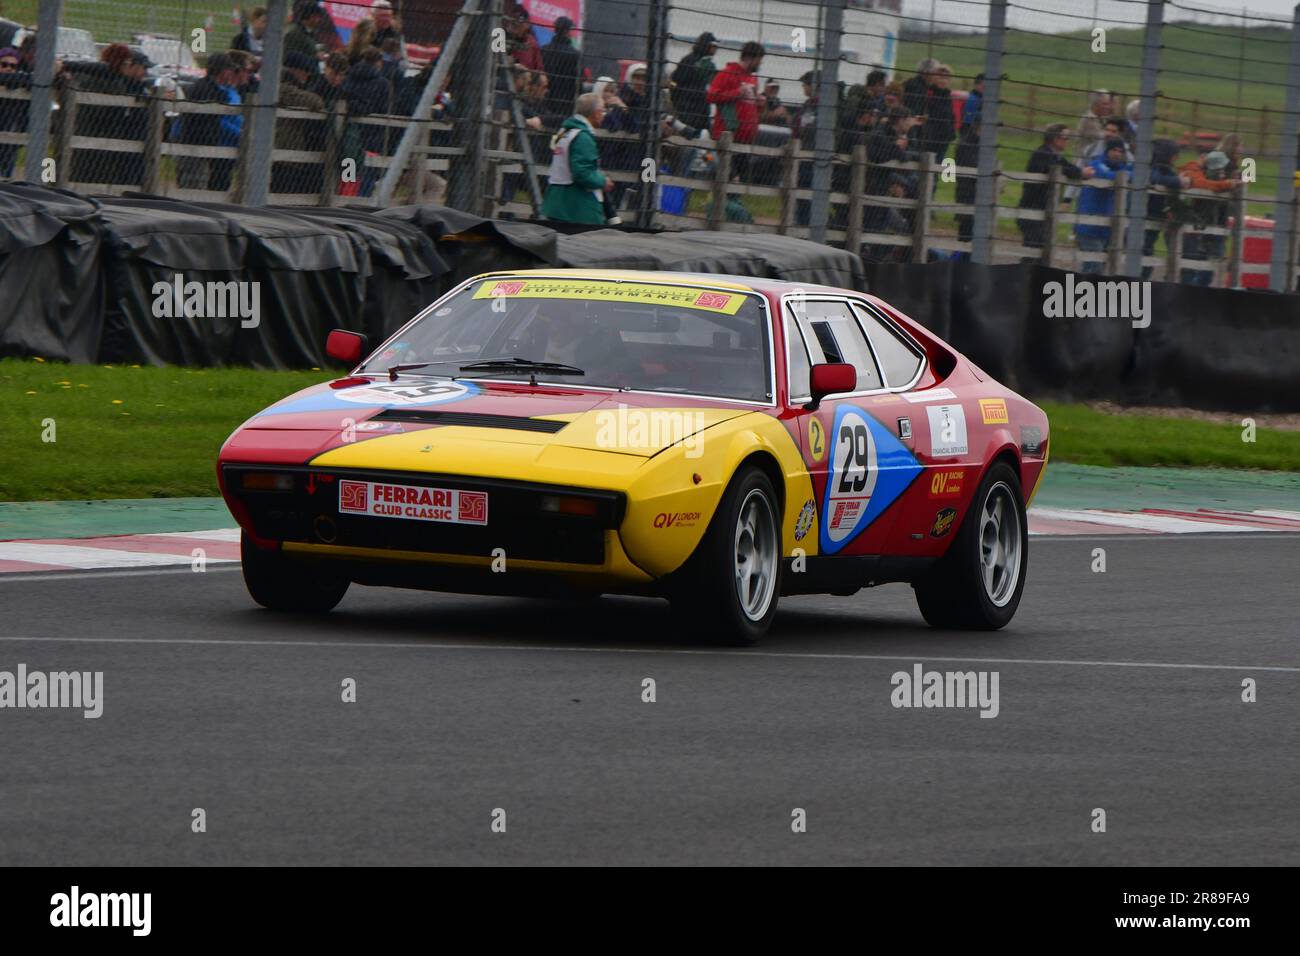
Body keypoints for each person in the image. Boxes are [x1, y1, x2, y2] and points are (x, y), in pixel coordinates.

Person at [541, 92, 614, 225]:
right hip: (577, 207)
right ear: (596, 113)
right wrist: (603, 181)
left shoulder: (564, 132)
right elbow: (582, 173)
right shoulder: (583, 137)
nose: (604, 115)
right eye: (603, 111)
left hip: (557, 203)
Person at [1017, 123, 1093, 251]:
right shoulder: (1042, 153)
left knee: (1040, 252)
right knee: (1035, 251)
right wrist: (1081, 173)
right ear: (1056, 139)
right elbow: (1057, 169)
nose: (1068, 142)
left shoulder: (1055, 155)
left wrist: (1081, 172)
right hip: (1032, 211)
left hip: (1042, 211)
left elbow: (1068, 167)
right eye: (1066, 138)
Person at [1177, 147, 1238, 284]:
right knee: (1189, 267)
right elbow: (1201, 184)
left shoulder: (1219, 182)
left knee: (1208, 268)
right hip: (1192, 229)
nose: (1222, 175)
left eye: (1223, 171)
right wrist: (1225, 184)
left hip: (1210, 230)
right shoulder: (1194, 173)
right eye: (1218, 171)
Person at [707, 40, 764, 184]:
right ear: (749, 58)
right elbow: (711, 95)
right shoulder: (727, 73)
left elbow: (751, 107)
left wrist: (760, 103)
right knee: (729, 179)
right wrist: (737, 92)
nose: (760, 64)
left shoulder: (753, 79)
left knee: (741, 180)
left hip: (746, 138)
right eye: (758, 60)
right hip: (728, 135)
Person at [1074, 137, 1132, 273]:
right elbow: (1109, 176)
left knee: (1095, 267)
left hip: (1106, 228)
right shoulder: (1096, 165)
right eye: (1114, 150)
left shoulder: (1122, 168)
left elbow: (1136, 175)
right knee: (1095, 267)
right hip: (1088, 226)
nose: (1117, 154)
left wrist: (1128, 173)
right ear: (1106, 150)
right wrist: (1127, 175)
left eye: (1120, 151)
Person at [272, 50, 326, 195]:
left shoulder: (284, 86)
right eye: (305, 71)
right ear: (294, 70)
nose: (307, 75)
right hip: (284, 156)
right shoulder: (283, 87)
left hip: (289, 154)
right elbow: (313, 101)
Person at [1139, 138, 1191, 279]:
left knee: (1150, 254)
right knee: (1145, 255)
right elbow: (1154, 179)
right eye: (1174, 154)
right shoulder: (1155, 168)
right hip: (1147, 217)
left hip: (1157, 217)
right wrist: (1177, 181)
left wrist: (1180, 180)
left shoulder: (1165, 169)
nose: (1177, 157)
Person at [342, 47, 390, 196]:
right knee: (367, 179)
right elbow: (384, 108)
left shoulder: (348, 78)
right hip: (372, 139)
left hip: (350, 137)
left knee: (348, 175)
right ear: (378, 62)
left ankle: (343, 202)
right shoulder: (382, 83)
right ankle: (360, 207)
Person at [669, 32, 717, 134]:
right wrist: (679, 102)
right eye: (713, 46)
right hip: (688, 106)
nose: (715, 49)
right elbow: (676, 80)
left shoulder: (706, 63)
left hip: (699, 106)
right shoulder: (690, 60)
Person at [541, 15, 580, 117]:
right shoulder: (575, 54)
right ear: (567, 32)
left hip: (546, 98)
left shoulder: (544, 50)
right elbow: (578, 80)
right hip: (566, 101)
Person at [0, 47, 29, 178]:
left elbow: (29, 80)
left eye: (13, 65)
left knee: (6, 175)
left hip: (10, 138)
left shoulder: (18, 82)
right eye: (4, 64)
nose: (9, 68)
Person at [506, 6, 543, 72]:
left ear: (527, 25)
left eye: (519, 23)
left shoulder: (532, 42)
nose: (516, 26)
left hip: (527, 77)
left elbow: (539, 68)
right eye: (513, 23)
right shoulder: (504, 38)